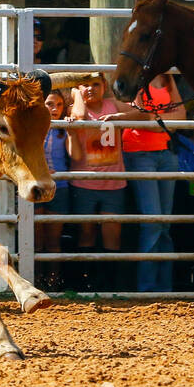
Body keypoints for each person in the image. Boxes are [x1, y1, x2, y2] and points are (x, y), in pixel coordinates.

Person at [68, 75, 133, 291]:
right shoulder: (75, 108)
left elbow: (144, 114)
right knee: (86, 232)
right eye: (85, 84)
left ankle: (109, 287)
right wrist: (77, 94)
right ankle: (85, 285)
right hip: (84, 181)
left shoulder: (112, 104)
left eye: (96, 84)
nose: (90, 89)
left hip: (114, 182)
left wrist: (119, 116)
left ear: (105, 86)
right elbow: (78, 115)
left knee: (112, 234)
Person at [123, 73, 186, 293]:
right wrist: (163, 120)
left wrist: (154, 120)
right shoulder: (137, 77)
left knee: (164, 224)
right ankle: (147, 287)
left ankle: (163, 287)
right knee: (153, 221)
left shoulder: (168, 78)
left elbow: (181, 115)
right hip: (140, 153)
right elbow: (139, 117)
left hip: (165, 153)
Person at [35, 90, 72, 290]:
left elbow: (73, 154)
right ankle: (37, 281)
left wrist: (72, 130)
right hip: (38, 184)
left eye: (59, 105)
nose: (54, 109)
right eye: (50, 104)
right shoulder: (33, 127)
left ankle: (54, 283)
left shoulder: (64, 129)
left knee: (53, 240)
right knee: (37, 239)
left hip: (60, 185)